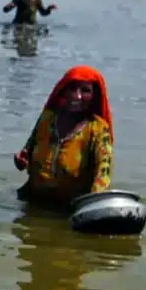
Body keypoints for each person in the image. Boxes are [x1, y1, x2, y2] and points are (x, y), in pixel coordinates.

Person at [12, 65, 115, 207]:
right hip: (33, 202)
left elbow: (103, 175)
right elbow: (27, 150)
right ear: (63, 91)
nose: (77, 96)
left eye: (85, 91)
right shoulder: (47, 119)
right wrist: (21, 161)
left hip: (70, 209)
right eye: (72, 88)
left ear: (94, 96)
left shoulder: (98, 129)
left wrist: (92, 206)